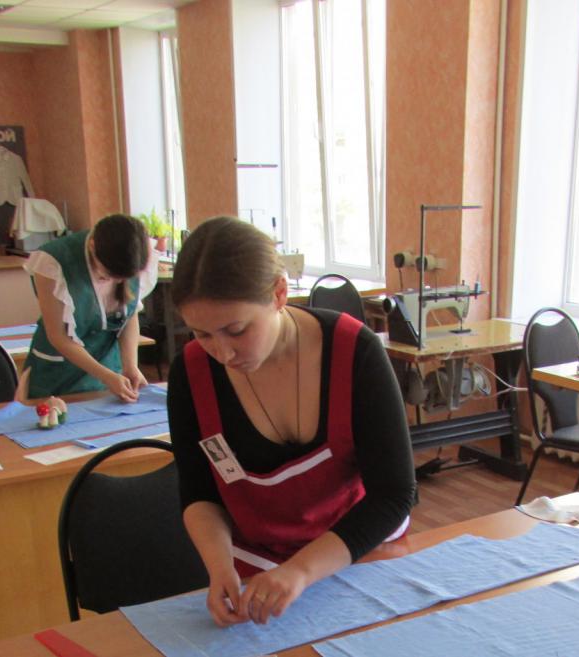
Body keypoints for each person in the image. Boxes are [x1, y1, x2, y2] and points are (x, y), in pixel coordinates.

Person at [168, 216, 416, 627]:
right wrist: (218, 566)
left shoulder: (355, 353)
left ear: (279, 294)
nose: (222, 353)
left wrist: (301, 571)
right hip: (256, 564)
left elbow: (393, 495)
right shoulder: (191, 374)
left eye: (236, 330)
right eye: (202, 334)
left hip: (355, 551)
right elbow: (199, 492)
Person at [18, 213, 159, 402]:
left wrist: (131, 366)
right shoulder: (53, 261)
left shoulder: (137, 254)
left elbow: (129, 316)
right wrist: (106, 376)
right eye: (109, 275)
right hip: (57, 375)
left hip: (109, 368)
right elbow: (58, 336)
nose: (116, 282)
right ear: (92, 246)